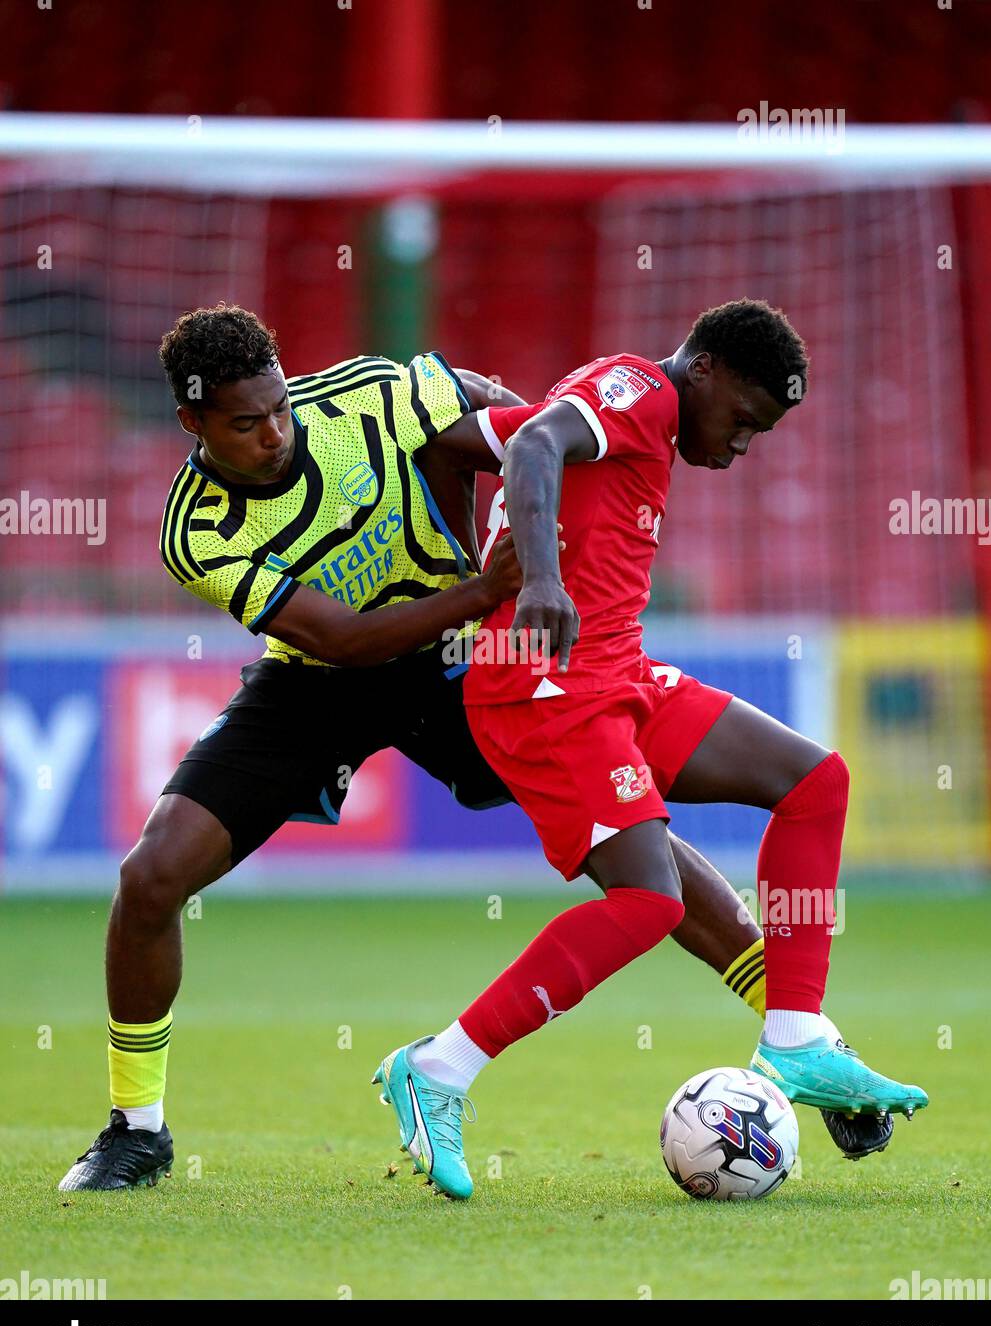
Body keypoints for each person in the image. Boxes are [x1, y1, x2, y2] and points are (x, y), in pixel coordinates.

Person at [58, 303, 889, 1192]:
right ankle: (135, 1131)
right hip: (319, 682)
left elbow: (524, 430)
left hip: (467, 661)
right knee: (150, 877)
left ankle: (802, 1033)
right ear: (192, 423)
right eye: (244, 423)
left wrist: (532, 536)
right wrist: (497, 583)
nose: (275, 434)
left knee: (629, 837)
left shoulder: (372, 395)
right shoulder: (196, 530)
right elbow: (338, 638)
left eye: (280, 407)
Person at [374, 299, 926, 1199]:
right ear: (703, 370)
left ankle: (794, 1037)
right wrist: (529, 583)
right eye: (744, 421)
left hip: (615, 675)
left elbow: (454, 441)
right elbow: (536, 442)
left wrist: (468, 553)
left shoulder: (647, 425)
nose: (743, 445)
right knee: (646, 902)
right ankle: (436, 1069)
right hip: (542, 684)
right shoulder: (632, 389)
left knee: (814, 781)